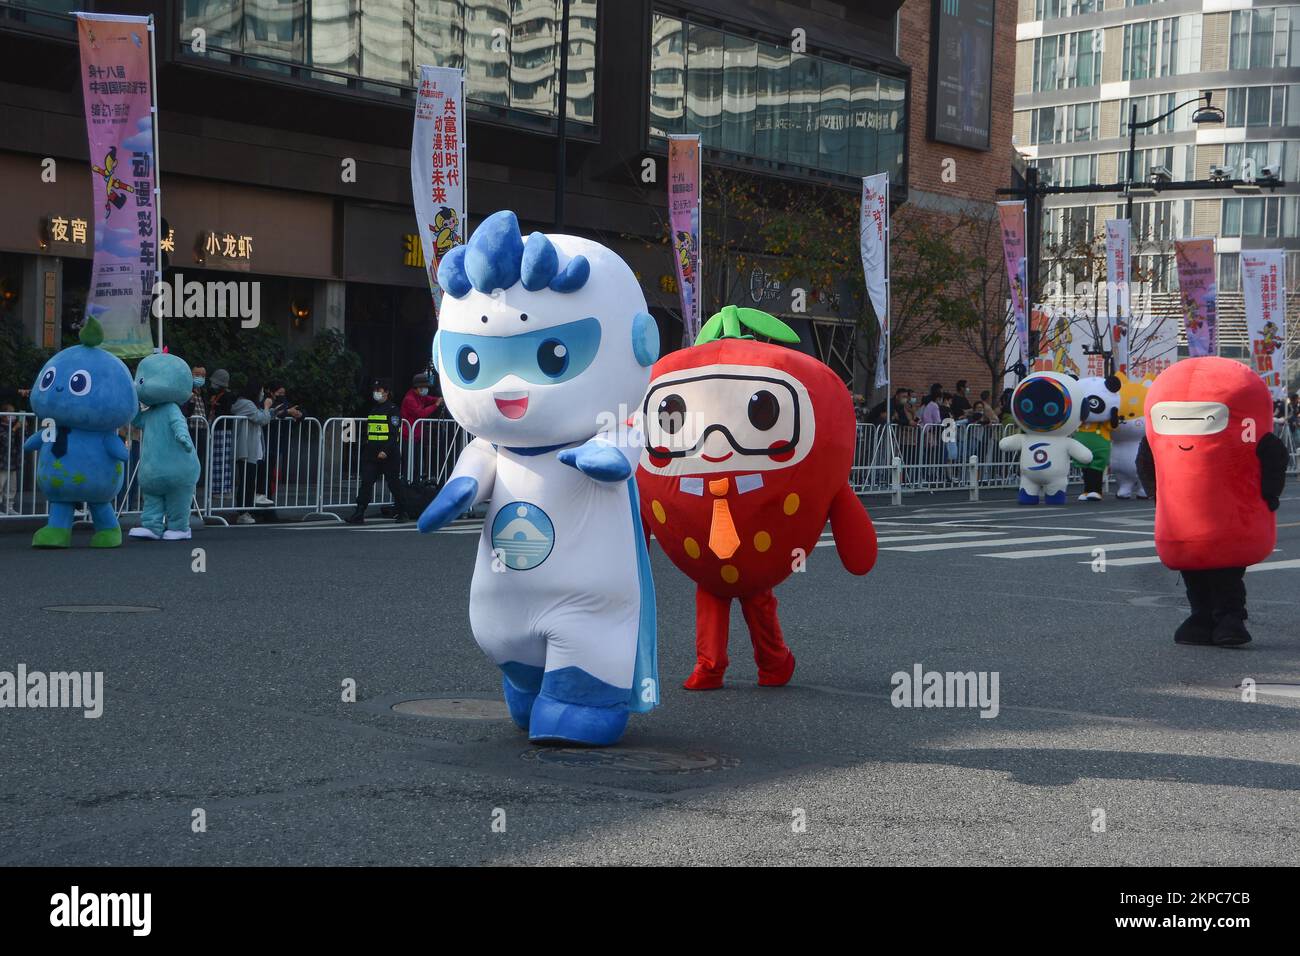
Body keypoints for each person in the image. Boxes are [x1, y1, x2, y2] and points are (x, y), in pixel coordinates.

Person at [348, 379, 407, 523]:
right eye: (375, 391)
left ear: (386, 393)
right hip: (372, 453)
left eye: (379, 391)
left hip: (388, 454)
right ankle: (359, 512)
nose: (376, 393)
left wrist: (385, 451)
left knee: (393, 483)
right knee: (366, 482)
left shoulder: (393, 410)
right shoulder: (373, 409)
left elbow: (394, 435)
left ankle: (402, 511)